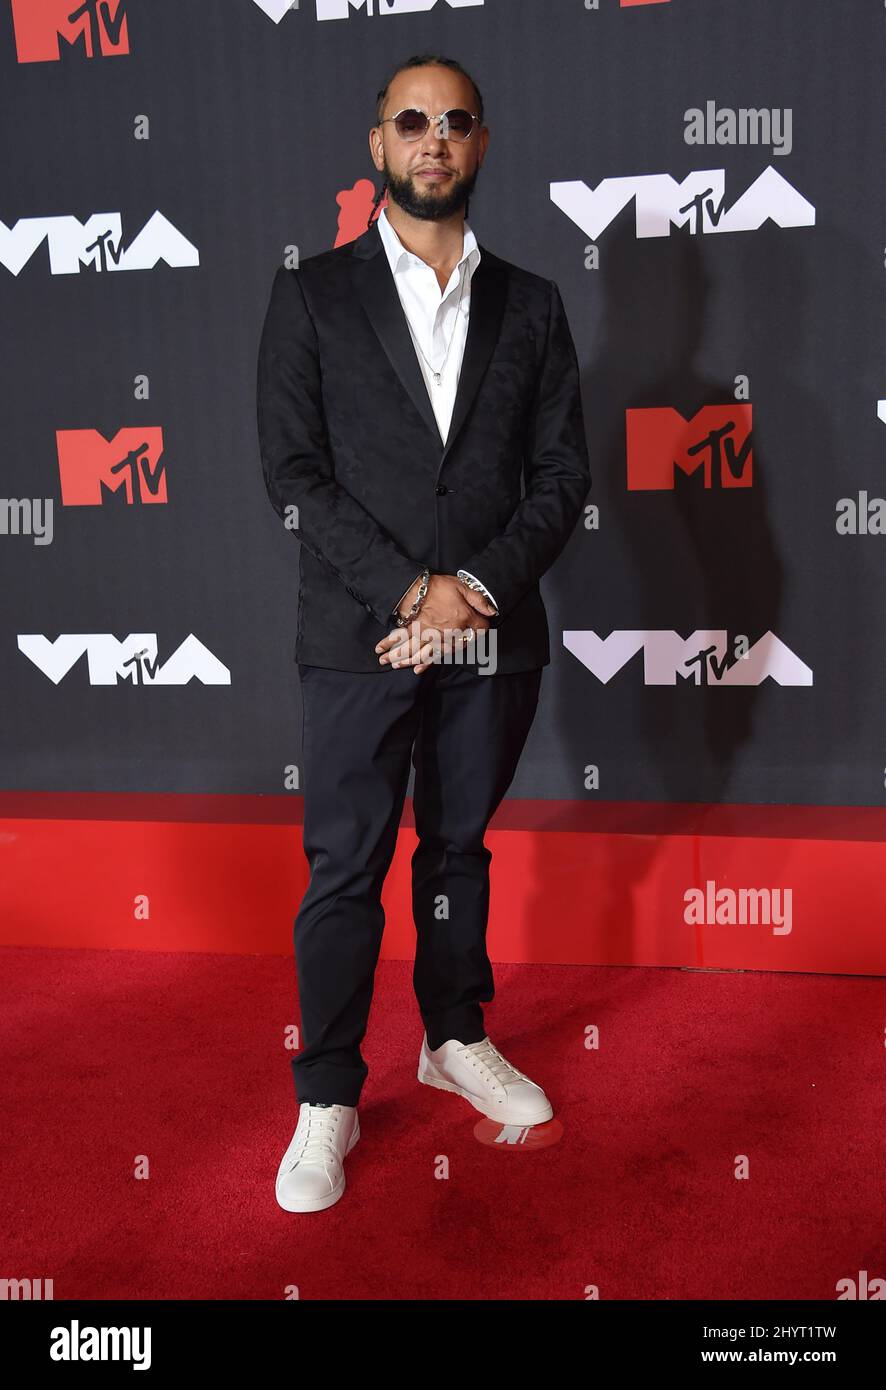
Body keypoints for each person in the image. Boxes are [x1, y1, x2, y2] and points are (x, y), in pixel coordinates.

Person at [256, 52, 591, 1213]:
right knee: (345, 867)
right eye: (412, 122)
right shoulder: (312, 295)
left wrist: (473, 594)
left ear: (482, 144)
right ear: (378, 145)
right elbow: (292, 473)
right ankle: (328, 1093)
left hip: (490, 633)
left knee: (457, 853)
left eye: (454, 122)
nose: (433, 140)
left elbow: (560, 476)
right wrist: (412, 594)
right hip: (359, 635)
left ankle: (452, 1038)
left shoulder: (534, 304)